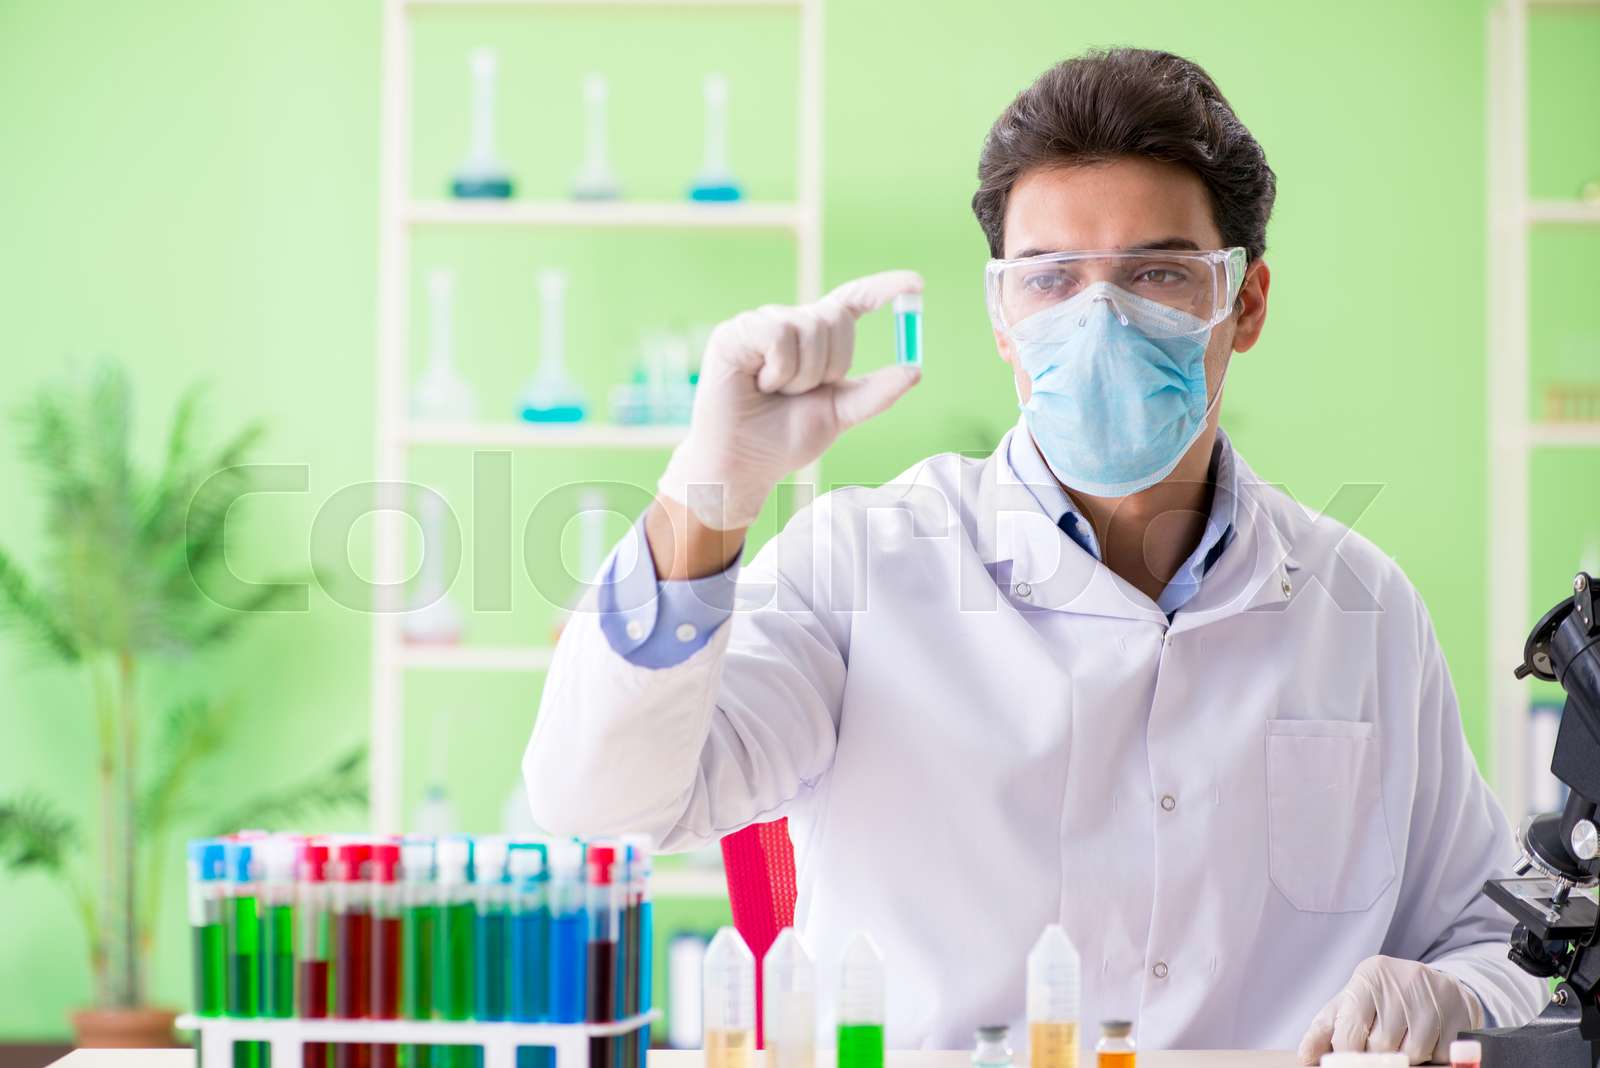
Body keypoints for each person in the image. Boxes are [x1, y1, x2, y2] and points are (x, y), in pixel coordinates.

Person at [523, 48, 1542, 1064]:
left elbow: (1499, 938)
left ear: (1247, 301)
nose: (1099, 320)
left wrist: (1449, 993)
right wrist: (709, 495)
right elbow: (604, 810)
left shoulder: (1360, 606)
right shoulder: (860, 566)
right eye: (1051, 279)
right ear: (1004, 319)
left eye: (1156, 274)